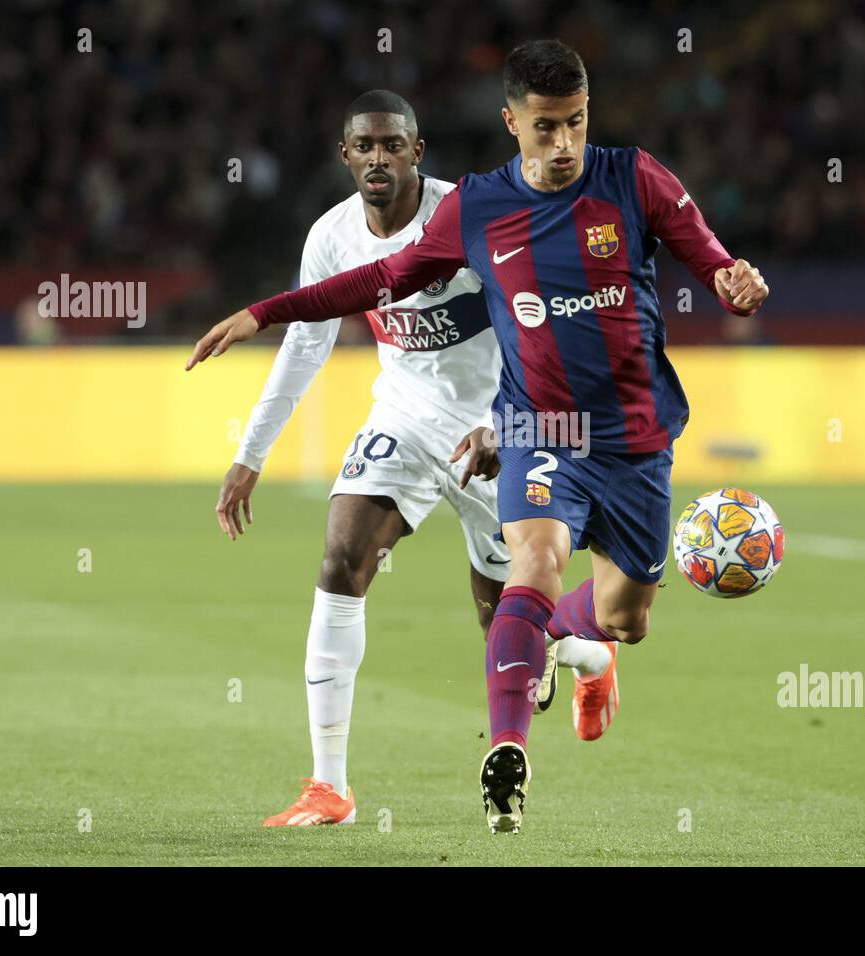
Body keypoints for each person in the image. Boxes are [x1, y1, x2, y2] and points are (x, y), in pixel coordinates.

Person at [186, 44, 769, 833]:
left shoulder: (614, 181)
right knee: (406, 558)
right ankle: (412, 775)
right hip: (497, 425)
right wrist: (267, 315)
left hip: (577, 430)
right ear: (511, 123)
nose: (562, 145)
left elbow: (695, 257)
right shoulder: (458, 214)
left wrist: (731, 275)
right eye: (544, 128)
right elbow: (373, 288)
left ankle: (589, 650)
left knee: (605, 615)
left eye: (575, 125)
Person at [212, 89, 612, 829]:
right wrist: (250, 454)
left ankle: (589, 658)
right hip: (406, 420)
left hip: (499, 429)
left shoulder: (469, 215)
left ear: (416, 153)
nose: (377, 158)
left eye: (392, 145)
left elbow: (540, 318)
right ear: (345, 155)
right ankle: (329, 786)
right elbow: (306, 343)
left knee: (510, 626)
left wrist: (513, 423)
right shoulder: (331, 237)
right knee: (342, 556)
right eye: (364, 146)